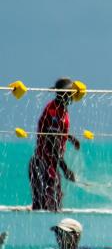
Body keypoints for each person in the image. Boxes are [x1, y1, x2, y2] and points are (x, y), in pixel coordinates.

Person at [28, 78, 80, 212]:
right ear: (64, 95)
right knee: (47, 206)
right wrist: (65, 169)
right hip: (43, 166)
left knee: (52, 203)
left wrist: (69, 137)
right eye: (70, 94)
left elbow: (54, 132)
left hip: (47, 164)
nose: (72, 97)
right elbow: (52, 144)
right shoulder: (53, 112)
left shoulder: (60, 109)